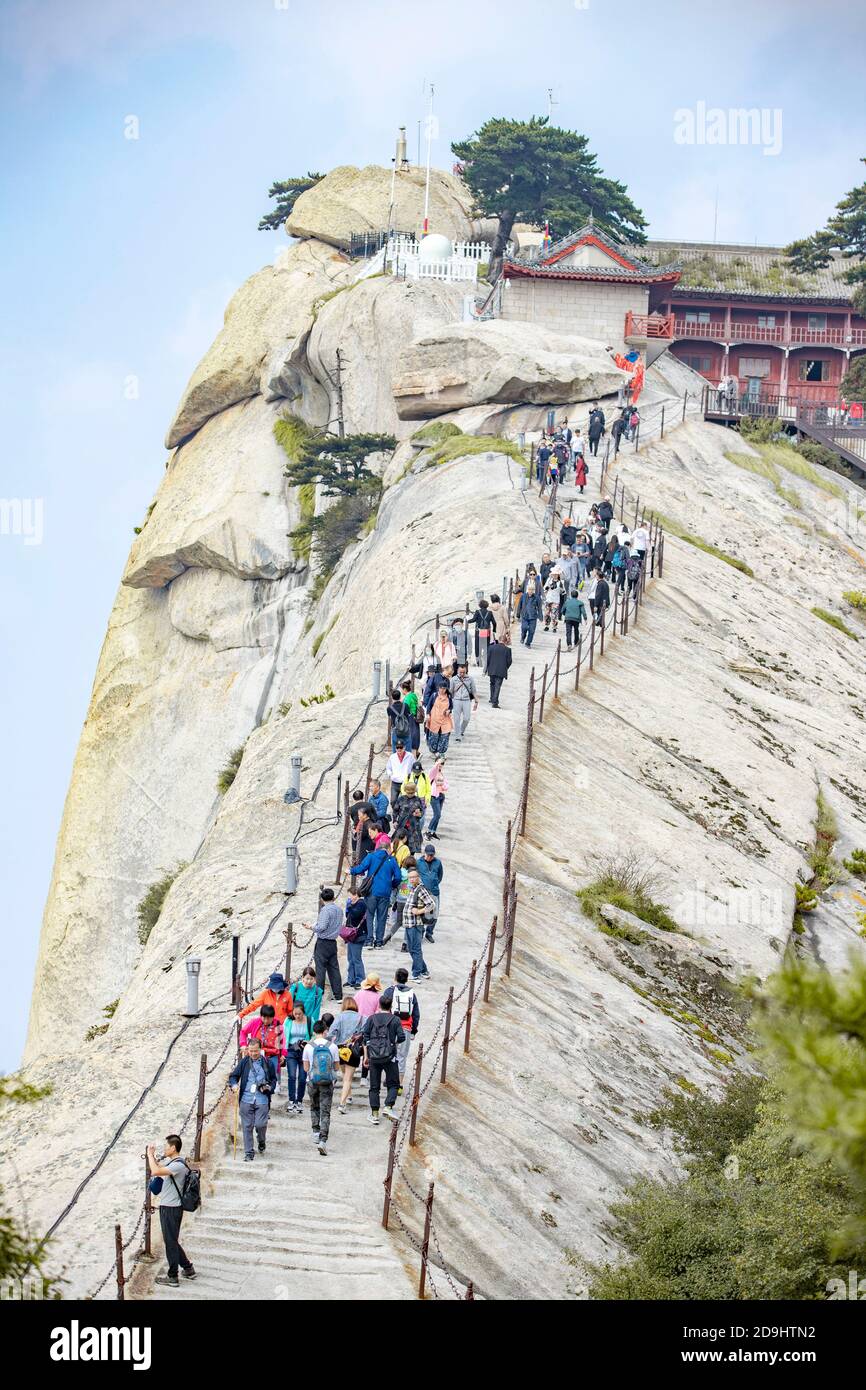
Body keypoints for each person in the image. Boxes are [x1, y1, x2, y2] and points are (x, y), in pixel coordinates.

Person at [148, 1135, 197, 1287]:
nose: (165, 1149)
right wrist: (154, 1160)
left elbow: (155, 1172)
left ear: (173, 1148)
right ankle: (188, 1269)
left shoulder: (178, 1165)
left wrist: (150, 1155)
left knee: (170, 1242)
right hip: (169, 1206)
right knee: (172, 1240)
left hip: (171, 1208)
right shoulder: (174, 1163)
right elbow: (158, 1169)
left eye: (166, 1146)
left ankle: (172, 1276)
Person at [229, 1035, 276, 1162]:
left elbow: (273, 1079)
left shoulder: (267, 1062)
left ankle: (261, 1141)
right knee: (247, 1126)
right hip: (246, 1098)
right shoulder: (244, 1062)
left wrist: (270, 1088)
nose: (253, 1053)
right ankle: (249, 1152)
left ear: (260, 1049)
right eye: (250, 1050)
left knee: (261, 1124)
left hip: (262, 1099)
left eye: (255, 1050)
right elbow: (234, 1076)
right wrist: (234, 1085)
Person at [361, 995, 404, 1124]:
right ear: (391, 1006)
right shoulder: (395, 1019)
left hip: (374, 1056)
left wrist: (367, 1056)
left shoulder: (371, 1019)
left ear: (379, 1005)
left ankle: (374, 1114)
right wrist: (392, 1042)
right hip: (390, 1056)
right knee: (393, 1084)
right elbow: (401, 1037)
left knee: (374, 1086)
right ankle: (388, 1106)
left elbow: (365, 1037)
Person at [351, 839, 401, 949]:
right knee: (381, 917)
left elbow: (361, 868)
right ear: (388, 849)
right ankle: (378, 942)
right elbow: (398, 877)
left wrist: (351, 871)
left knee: (370, 915)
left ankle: (369, 940)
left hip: (372, 891)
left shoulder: (371, 856)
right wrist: (392, 885)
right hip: (385, 893)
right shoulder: (392, 860)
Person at [303, 1019, 340, 1156]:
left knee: (314, 1106)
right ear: (325, 1031)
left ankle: (315, 1132)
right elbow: (336, 1067)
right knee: (326, 1111)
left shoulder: (308, 1047)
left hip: (312, 1081)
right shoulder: (333, 1046)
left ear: (313, 1032)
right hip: (327, 1083)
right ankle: (323, 1140)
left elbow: (306, 1068)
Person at [381, 967, 420, 1094]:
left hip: (390, 1026)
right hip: (405, 1028)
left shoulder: (389, 991)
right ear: (407, 979)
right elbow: (415, 1014)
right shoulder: (411, 994)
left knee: (389, 1053)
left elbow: (383, 1008)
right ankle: (399, 1084)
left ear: (395, 978)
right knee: (402, 1055)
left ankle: (388, 1078)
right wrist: (414, 1030)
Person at [239, 1004, 286, 1093]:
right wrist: (243, 1044)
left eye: (268, 1018)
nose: (266, 1020)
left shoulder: (277, 1024)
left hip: (272, 1056)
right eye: (263, 1018)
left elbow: (282, 1041)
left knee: (270, 1078)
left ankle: (268, 1098)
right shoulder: (255, 1022)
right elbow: (243, 1032)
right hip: (257, 1055)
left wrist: (283, 1054)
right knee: (256, 1076)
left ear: (273, 1017)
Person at [328, 997, 363, 1114]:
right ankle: (343, 1104)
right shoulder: (362, 1018)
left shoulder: (340, 1017)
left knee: (344, 1074)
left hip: (340, 1049)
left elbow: (331, 1032)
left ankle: (348, 1097)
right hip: (353, 1050)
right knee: (348, 1078)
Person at [308, 888, 343, 1003]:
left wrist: (311, 927)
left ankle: (319, 996)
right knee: (334, 969)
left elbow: (321, 927)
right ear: (333, 897)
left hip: (323, 942)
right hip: (333, 942)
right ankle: (338, 995)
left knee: (320, 969)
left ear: (322, 899)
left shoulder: (325, 910)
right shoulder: (339, 910)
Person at [404, 868, 434, 981]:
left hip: (416, 924)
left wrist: (419, 911)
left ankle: (416, 974)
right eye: (410, 877)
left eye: (413, 877)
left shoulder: (420, 889)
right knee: (412, 949)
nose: (411, 879)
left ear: (418, 877)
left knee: (415, 949)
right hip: (409, 923)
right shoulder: (412, 888)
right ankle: (424, 970)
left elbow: (431, 904)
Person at [283, 998, 312, 1114]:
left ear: (303, 1012)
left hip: (304, 1051)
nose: (297, 1016)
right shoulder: (289, 1021)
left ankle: (299, 1100)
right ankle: (291, 1100)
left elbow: (314, 1034)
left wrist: (308, 1042)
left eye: (299, 1014)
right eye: (295, 1014)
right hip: (291, 1050)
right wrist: (282, 1052)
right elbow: (283, 1035)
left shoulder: (309, 1020)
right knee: (292, 1076)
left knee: (302, 1077)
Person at [342, 885, 368, 987]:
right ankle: (351, 979)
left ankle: (360, 980)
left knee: (356, 959)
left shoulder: (361, 903)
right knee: (350, 958)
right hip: (351, 935)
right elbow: (348, 916)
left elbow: (355, 914)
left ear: (356, 895)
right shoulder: (354, 903)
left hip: (358, 935)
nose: (349, 897)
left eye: (350, 895)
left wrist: (350, 906)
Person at [417, 844, 443, 943]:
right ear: (424, 854)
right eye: (428, 855)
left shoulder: (438, 863)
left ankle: (429, 933)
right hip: (423, 892)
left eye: (432, 855)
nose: (430, 857)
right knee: (423, 913)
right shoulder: (419, 863)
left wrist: (434, 883)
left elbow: (440, 876)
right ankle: (421, 932)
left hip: (435, 892)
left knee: (434, 914)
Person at [393, 781, 426, 853]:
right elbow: (395, 811)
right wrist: (395, 821)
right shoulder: (401, 799)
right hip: (402, 826)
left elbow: (422, 811)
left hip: (413, 827)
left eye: (412, 793)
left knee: (412, 849)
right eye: (408, 793)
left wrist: (419, 814)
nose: (410, 794)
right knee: (398, 847)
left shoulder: (418, 800)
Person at [449, 663, 478, 742]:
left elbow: (474, 691)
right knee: (456, 719)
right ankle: (458, 735)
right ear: (457, 671)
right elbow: (450, 691)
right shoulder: (453, 679)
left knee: (467, 718)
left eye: (463, 672)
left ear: (466, 671)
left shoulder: (470, 679)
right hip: (456, 700)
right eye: (460, 672)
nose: (462, 674)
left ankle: (461, 730)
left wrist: (476, 701)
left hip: (466, 700)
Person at [385, 740, 415, 807]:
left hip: (405, 782)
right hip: (395, 782)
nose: (399, 749)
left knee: (405, 802)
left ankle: (402, 815)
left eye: (401, 747)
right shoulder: (392, 757)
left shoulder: (410, 756)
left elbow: (414, 766)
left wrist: (410, 776)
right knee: (393, 801)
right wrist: (390, 775)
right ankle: (396, 814)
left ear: (404, 747)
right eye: (397, 747)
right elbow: (388, 767)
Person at [426, 686, 453, 757]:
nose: (442, 690)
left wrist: (449, 710)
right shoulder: (434, 695)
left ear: (446, 689)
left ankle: (441, 752)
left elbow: (451, 706)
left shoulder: (449, 696)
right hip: (435, 718)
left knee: (445, 735)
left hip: (445, 719)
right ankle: (433, 752)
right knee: (434, 736)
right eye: (441, 688)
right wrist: (428, 715)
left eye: (444, 688)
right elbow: (429, 705)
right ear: (438, 688)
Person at [485, 638, 513, 707]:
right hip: (501, 670)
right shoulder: (508, 650)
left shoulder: (491, 647)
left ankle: (492, 698)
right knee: (498, 685)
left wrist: (487, 668)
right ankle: (495, 702)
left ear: (499, 640)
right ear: (505, 641)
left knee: (492, 684)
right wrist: (505, 667)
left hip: (492, 669)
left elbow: (488, 659)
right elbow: (509, 661)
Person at [470, 599, 496, 666]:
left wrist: (467, 621)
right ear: (487, 605)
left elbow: (473, 620)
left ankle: (478, 662)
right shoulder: (490, 613)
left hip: (478, 632)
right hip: (486, 632)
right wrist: (494, 630)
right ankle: (486, 660)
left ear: (480, 605)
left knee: (477, 646)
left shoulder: (477, 612)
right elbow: (494, 623)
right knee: (486, 646)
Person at [427, 758, 448, 838]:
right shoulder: (432, 773)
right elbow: (434, 769)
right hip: (434, 796)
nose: (440, 765)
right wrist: (438, 762)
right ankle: (428, 831)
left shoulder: (441, 774)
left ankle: (433, 831)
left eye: (442, 764)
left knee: (438, 816)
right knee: (437, 815)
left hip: (441, 796)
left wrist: (441, 784)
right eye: (439, 763)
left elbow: (446, 786)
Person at [520, 576, 543, 648]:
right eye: (529, 589)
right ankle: (523, 637)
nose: (530, 591)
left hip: (533, 616)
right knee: (524, 628)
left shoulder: (537, 598)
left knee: (531, 630)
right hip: (524, 615)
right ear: (527, 589)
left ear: (534, 590)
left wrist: (540, 616)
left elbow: (539, 608)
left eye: (532, 589)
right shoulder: (523, 596)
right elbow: (519, 605)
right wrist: (518, 614)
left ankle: (528, 643)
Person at [562, 586, 587, 652]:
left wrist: (566, 614)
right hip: (576, 619)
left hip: (568, 618)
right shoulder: (580, 603)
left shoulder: (567, 602)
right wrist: (585, 619)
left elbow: (562, 610)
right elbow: (583, 611)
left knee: (568, 632)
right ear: (577, 596)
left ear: (571, 595)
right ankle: (576, 642)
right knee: (576, 630)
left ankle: (569, 644)